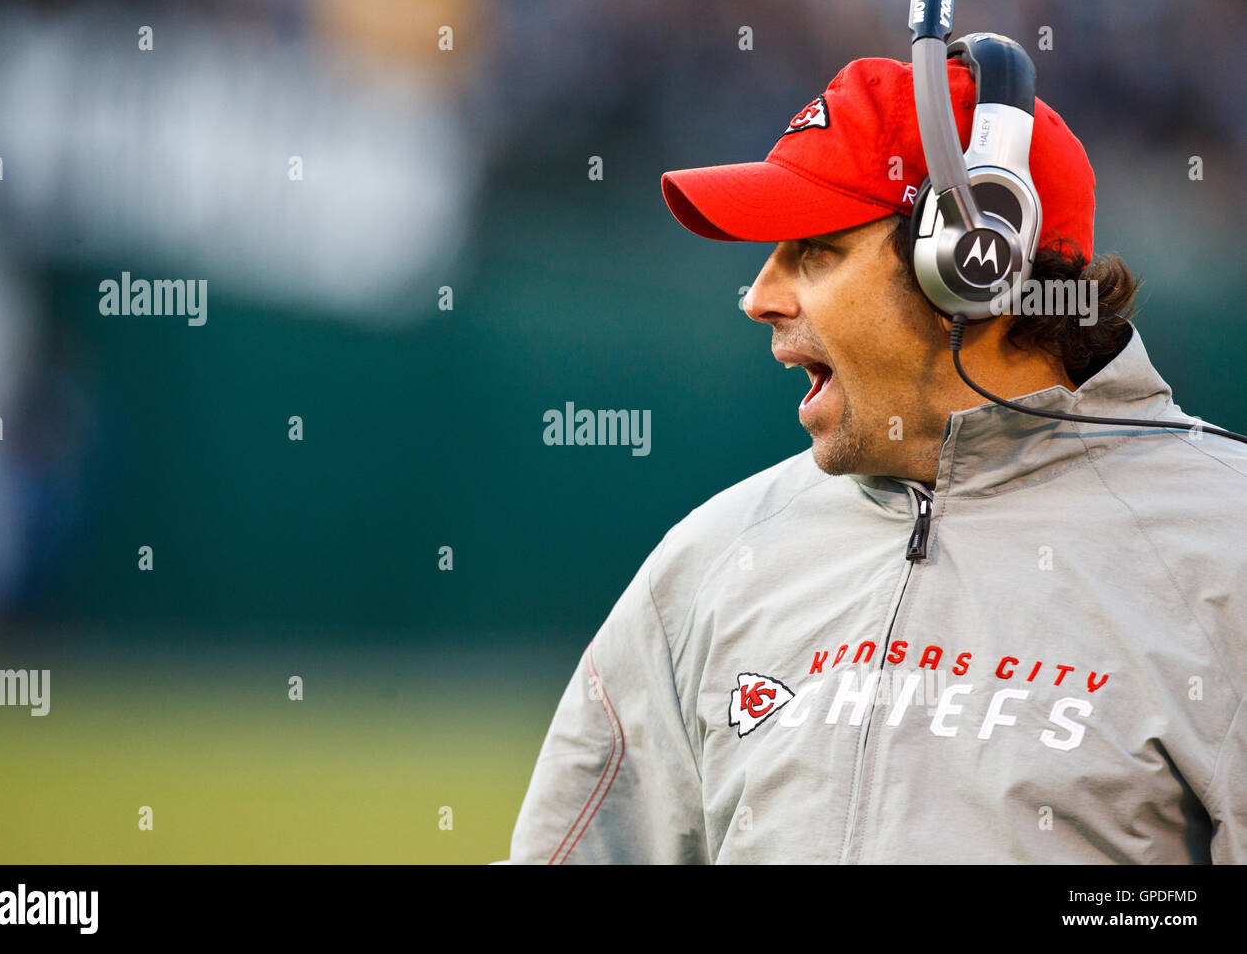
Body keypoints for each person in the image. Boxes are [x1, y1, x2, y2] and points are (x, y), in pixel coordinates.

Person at [507, 55, 1247, 864]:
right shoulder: (709, 561)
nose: (758, 296)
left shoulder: (1225, 553)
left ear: (974, 265)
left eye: (816, 250)